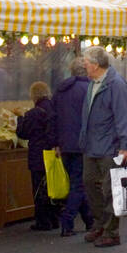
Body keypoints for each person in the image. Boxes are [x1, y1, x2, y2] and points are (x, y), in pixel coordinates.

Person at [78, 46, 127, 248]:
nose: (84, 65)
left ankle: (112, 231)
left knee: (111, 189)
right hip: (92, 145)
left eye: (86, 62)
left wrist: (126, 146)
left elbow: (124, 116)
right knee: (89, 183)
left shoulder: (116, 84)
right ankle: (100, 223)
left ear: (95, 65)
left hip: (110, 146)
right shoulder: (92, 83)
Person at [52, 58, 94, 236]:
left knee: (76, 183)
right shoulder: (89, 90)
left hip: (64, 144)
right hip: (82, 143)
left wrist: (55, 142)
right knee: (78, 185)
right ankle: (67, 222)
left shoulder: (60, 90)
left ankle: (90, 221)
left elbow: (52, 117)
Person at [16, 81, 59, 231]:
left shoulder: (33, 113)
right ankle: (55, 219)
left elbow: (23, 133)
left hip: (38, 156)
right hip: (54, 154)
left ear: (33, 95)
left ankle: (43, 221)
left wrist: (20, 118)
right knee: (53, 187)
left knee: (39, 189)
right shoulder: (55, 108)